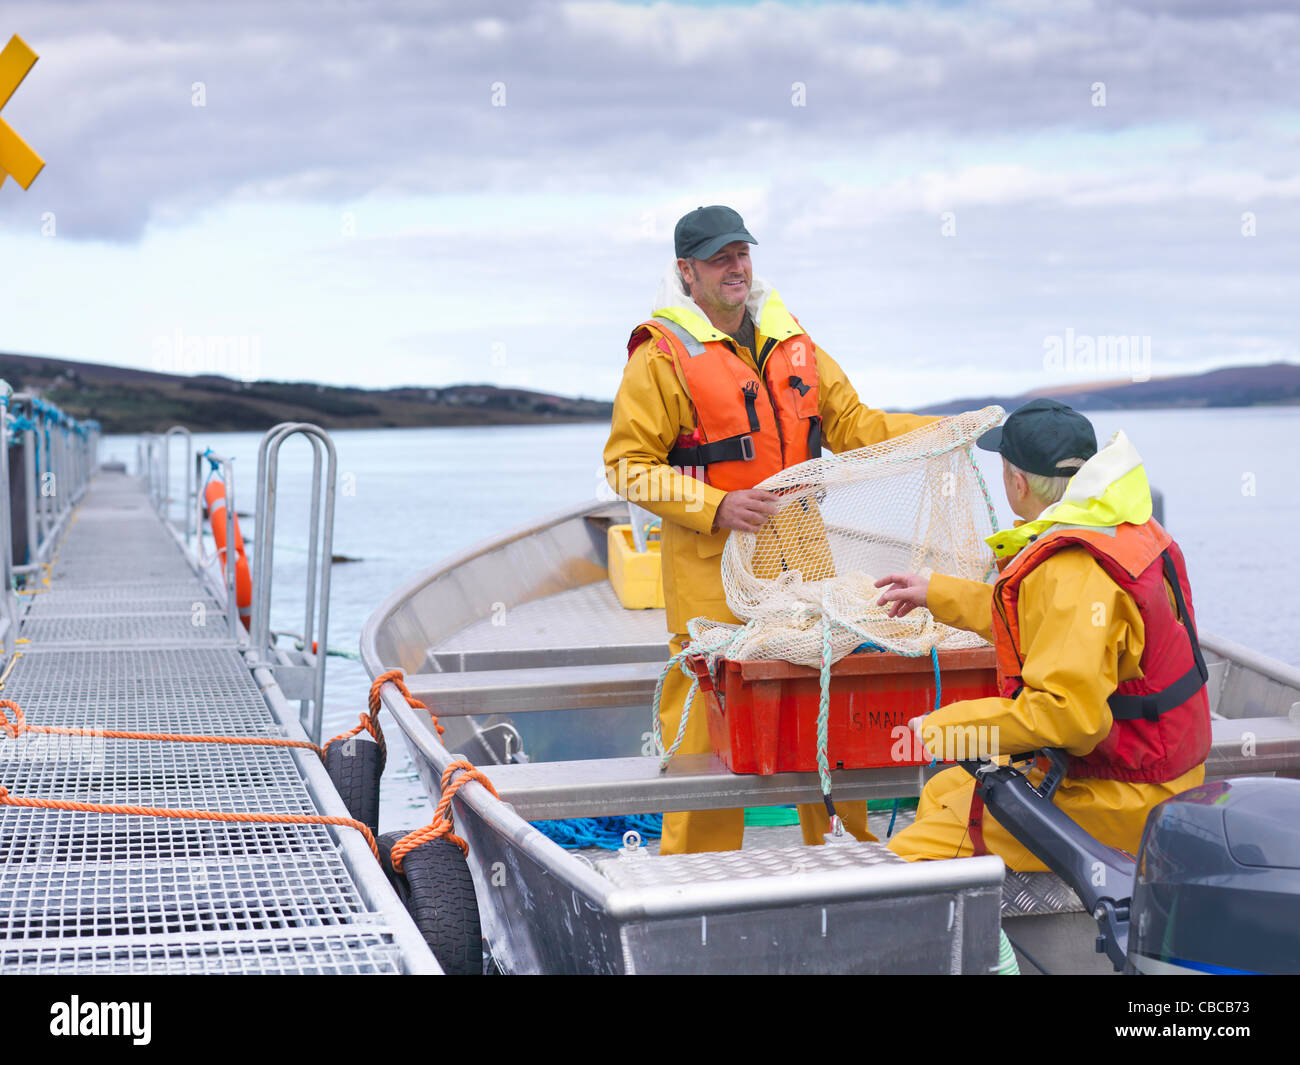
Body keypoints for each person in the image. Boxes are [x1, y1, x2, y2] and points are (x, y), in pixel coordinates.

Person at [604, 204, 936, 855]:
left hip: (802, 558)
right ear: (686, 271)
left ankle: (850, 849)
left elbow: (859, 428)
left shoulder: (792, 339)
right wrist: (715, 505)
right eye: (719, 256)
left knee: (824, 698)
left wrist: (951, 428)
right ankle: (694, 870)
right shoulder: (662, 354)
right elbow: (627, 466)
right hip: (710, 567)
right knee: (710, 711)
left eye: (742, 252)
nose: (736, 265)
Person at [875, 399, 1212, 869]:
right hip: (1162, 777)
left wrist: (940, 731)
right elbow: (1046, 620)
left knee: (903, 864)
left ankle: (967, 932)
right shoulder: (1124, 527)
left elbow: (1068, 717)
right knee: (942, 789)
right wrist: (938, 593)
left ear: (1017, 482)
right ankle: (989, 930)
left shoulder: (1074, 569)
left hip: (1118, 800)